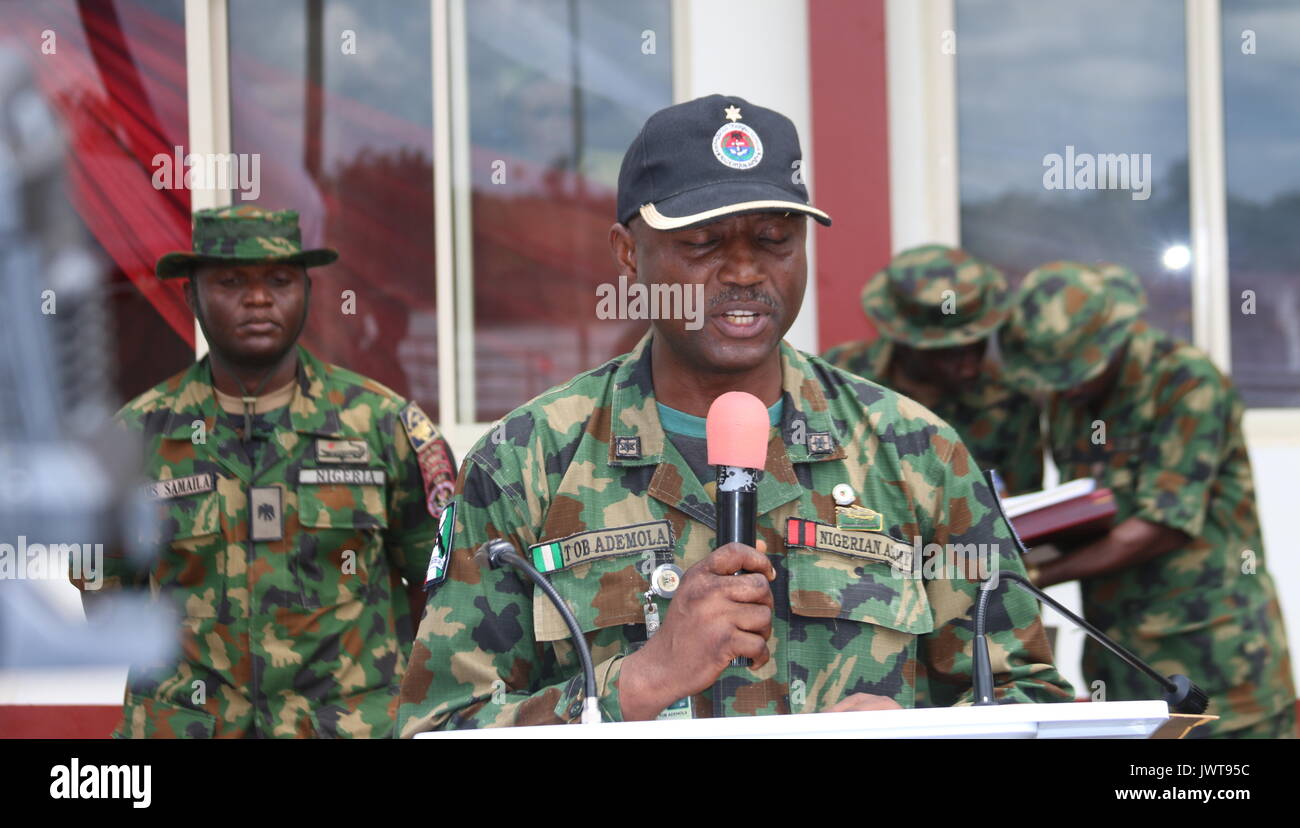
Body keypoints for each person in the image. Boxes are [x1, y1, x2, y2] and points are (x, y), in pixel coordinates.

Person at [398, 95, 1071, 731]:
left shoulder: (916, 452)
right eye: (704, 244)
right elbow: (441, 725)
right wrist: (633, 684)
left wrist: (915, 736)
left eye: (775, 238)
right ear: (629, 254)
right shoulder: (526, 462)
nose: (745, 271)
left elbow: (1027, 695)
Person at [77, 206, 456, 738]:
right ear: (191, 296)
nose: (258, 299)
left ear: (306, 289)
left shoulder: (382, 427)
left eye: (279, 280)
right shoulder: (134, 440)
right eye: (232, 281)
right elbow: (107, 600)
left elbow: (437, 590)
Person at [1001, 261, 1296, 738]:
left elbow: (1161, 526)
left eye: (1079, 371)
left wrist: (1035, 577)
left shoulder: (1185, 380)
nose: (1067, 386)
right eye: (1054, 376)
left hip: (1215, 658)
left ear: (1115, 337)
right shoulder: (1068, 398)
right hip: (1122, 660)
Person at [822, 245, 1042, 495]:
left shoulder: (1010, 403)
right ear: (906, 343)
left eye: (978, 344)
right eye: (949, 353)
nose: (970, 368)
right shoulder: (840, 380)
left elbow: (1028, 514)